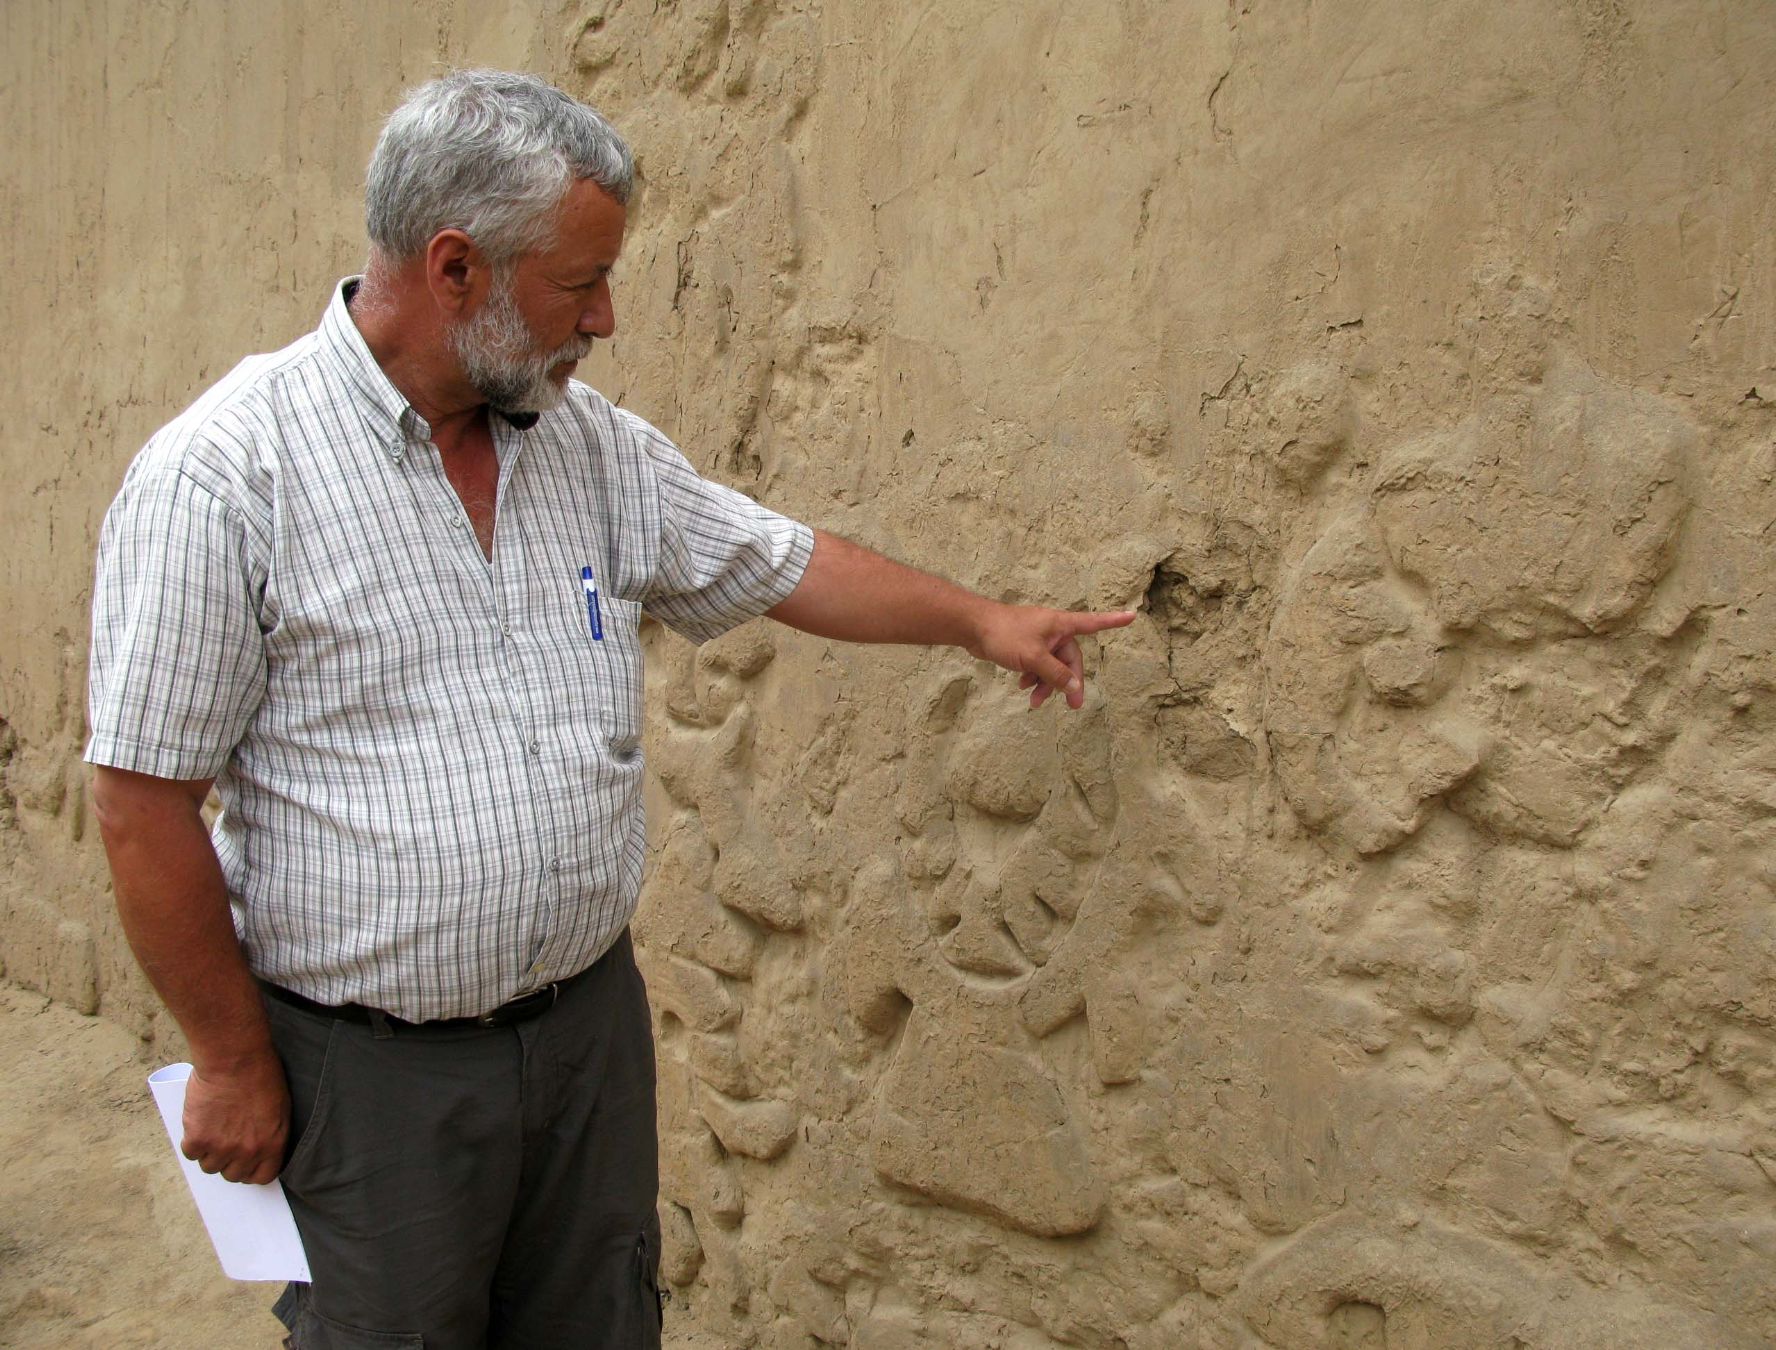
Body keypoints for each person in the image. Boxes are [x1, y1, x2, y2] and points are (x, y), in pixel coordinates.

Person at [86, 69, 1134, 1349]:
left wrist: (981, 622)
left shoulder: (584, 447)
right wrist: (235, 1060)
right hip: (369, 1079)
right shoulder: (224, 476)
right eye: (579, 285)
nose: (611, 317)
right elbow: (142, 803)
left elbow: (777, 559)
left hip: (585, 1035)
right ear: (456, 268)